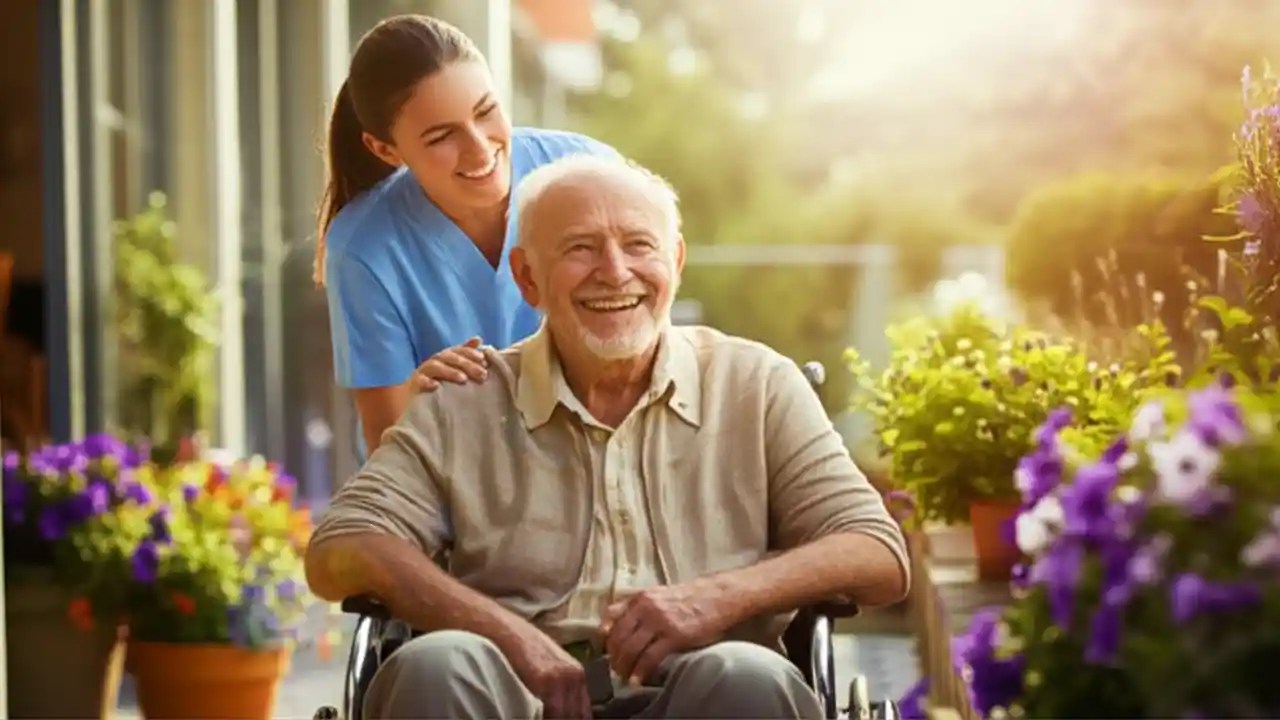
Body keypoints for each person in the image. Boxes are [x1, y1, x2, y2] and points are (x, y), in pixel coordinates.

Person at [305, 155, 910, 720]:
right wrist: (507, 635)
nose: (615, 272)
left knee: (747, 672)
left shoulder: (757, 384)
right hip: (518, 697)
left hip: (706, 693)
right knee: (435, 664)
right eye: (580, 249)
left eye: (638, 245)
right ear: (527, 277)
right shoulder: (466, 397)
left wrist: (718, 599)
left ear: (674, 261)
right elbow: (342, 547)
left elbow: (877, 553)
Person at [317, 14, 622, 455]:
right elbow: (385, 438)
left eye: (486, 111)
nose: (480, 149)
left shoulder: (589, 171)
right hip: (453, 489)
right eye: (442, 136)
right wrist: (420, 402)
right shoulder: (363, 247)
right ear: (385, 149)